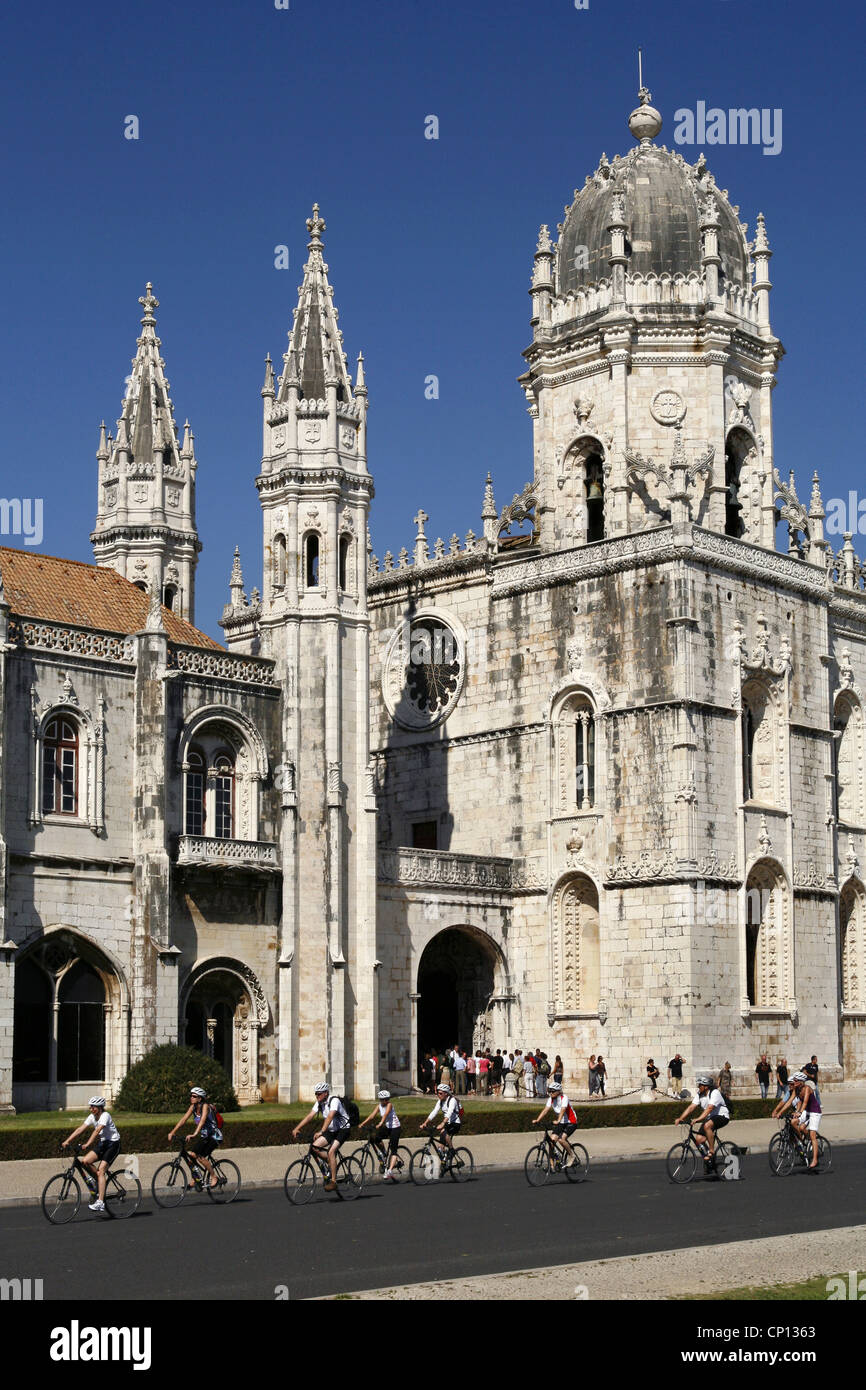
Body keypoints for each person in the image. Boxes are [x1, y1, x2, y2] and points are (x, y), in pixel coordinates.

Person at [61, 1096, 121, 1213]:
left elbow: (97, 1130)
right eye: (90, 1107)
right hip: (104, 1143)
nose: (91, 1109)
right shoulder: (92, 1116)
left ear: (99, 1108)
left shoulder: (105, 1116)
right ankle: (97, 1179)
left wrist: (87, 1144)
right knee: (85, 1161)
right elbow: (80, 1129)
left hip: (113, 1144)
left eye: (93, 1107)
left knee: (101, 1170)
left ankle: (100, 1203)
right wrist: (67, 1141)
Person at [292, 1082, 351, 1192]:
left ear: (326, 1093)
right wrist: (297, 1128)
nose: (317, 1096)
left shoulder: (334, 1101)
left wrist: (321, 1131)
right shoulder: (320, 1103)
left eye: (319, 1094)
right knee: (314, 1147)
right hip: (331, 1130)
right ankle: (330, 1162)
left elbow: (330, 1117)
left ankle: (333, 1182)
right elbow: (310, 1116)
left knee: (331, 1151)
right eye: (316, 1094)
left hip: (343, 1130)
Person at [167, 1086, 221, 1190]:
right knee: (191, 1155)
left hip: (214, 1136)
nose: (191, 1097)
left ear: (200, 1098)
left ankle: (214, 1177)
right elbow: (183, 1120)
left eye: (194, 1096)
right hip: (205, 1136)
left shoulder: (205, 1106)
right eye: (191, 1095)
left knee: (199, 1156)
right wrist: (172, 1132)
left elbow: (202, 1121)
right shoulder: (193, 1107)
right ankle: (196, 1177)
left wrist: (194, 1134)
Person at [675, 1073, 730, 1169]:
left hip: (722, 1116)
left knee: (707, 1125)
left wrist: (697, 1119)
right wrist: (681, 1118)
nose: (698, 1087)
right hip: (710, 1118)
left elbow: (709, 1109)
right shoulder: (700, 1095)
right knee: (699, 1140)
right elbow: (691, 1107)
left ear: (706, 1086)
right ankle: (710, 1162)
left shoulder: (715, 1093)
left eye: (700, 1085)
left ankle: (712, 1151)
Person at [773, 1070, 821, 1170]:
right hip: (806, 1111)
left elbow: (805, 1102)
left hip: (815, 1111)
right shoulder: (796, 1090)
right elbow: (789, 1102)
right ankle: (803, 1140)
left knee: (812, 1134)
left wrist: (799, 1112)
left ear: (800, 1081)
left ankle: (815, 1159)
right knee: (793, 1122)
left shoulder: (807, 1088)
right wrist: (780, 1112)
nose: (793, 1082)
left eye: (795, 1080)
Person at [359, 1089, 403, 1179]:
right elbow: (372, 1115)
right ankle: (384, 1153)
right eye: (382, 1100)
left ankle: (390, 1171)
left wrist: (380, 1123)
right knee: (376, 1137)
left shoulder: (389, 1105)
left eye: (386, 1099)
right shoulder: (379, 1106)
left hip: (395, 1128)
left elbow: (386, 1114)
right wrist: (363, 1123)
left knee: (393, 1150)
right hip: (388, 1127)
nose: (384, 1101)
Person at [532, 1081, 579, 1166]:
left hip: (571, 1122)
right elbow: (546, 1110)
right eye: (549, 1091)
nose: (550, 1093)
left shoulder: (564, 1098)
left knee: (561, 1139)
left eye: (552, 1091)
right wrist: (537, 1120)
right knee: (551, 1142)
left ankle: (572, 1156)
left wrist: (558, 1120)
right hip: (561, 1122)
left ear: (558, 1091)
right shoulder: (551, 1099)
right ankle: (552, 1166)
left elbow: (563, 1109)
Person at [420, 1082, 462, 1153]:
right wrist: (425, 1123)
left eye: (440, 1093)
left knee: (443, 1131)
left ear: (446, 1093)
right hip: (447, 1123)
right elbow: (434, 1112)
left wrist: (443, 1123)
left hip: (455, 1123)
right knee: (440, 1148)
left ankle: (451, 1150)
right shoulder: (440, 1101)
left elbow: (449, 1112)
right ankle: (444, 1160)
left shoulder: (452, 1100)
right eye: (437, 1093)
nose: (438, 1095)